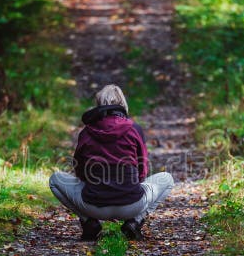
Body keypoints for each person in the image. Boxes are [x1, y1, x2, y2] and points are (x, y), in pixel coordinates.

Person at [49, 84, 174, 240]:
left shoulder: (87, 131)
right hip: (131, 204)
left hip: (93, 206)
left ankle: (89, 222)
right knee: (167, 178)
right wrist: (126, 188)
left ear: (99, 105)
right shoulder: (134, 128)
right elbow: (143, 170)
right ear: (122, 104)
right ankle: (135, 221)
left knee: (55, 179)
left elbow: (79, 170)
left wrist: (99, 186)